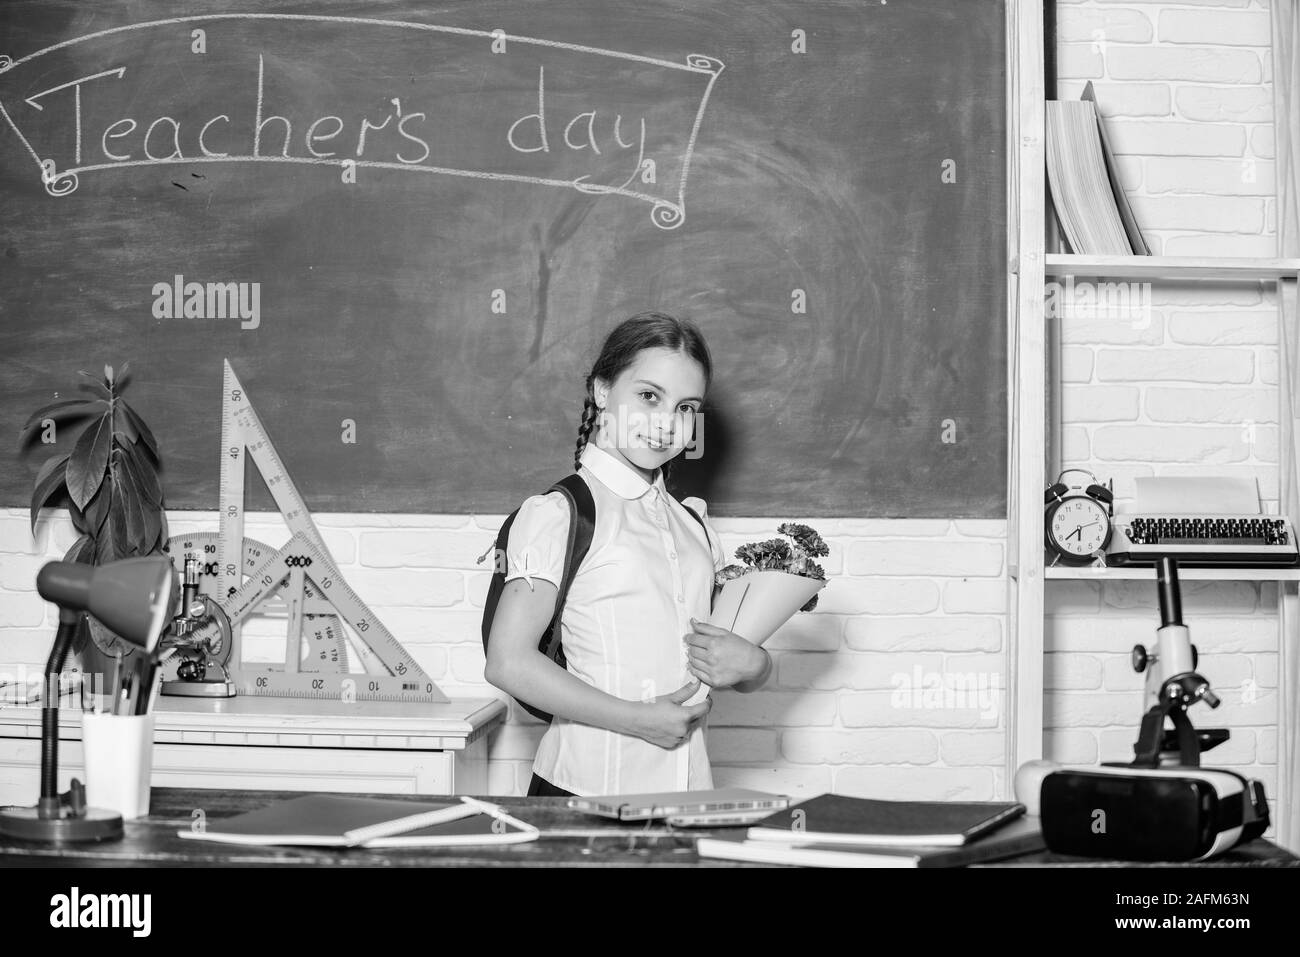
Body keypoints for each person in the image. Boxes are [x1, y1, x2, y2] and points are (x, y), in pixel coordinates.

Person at [484, 311, 772, 797]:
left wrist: (754, 667)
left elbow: (721, 659)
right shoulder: (561, 513)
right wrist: (639, 721)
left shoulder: (693, 526)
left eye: (686, 408)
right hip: (582, 795)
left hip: (688, 796)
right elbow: (507, 662)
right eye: (648, 396)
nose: (666, 424)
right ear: (602, 392)